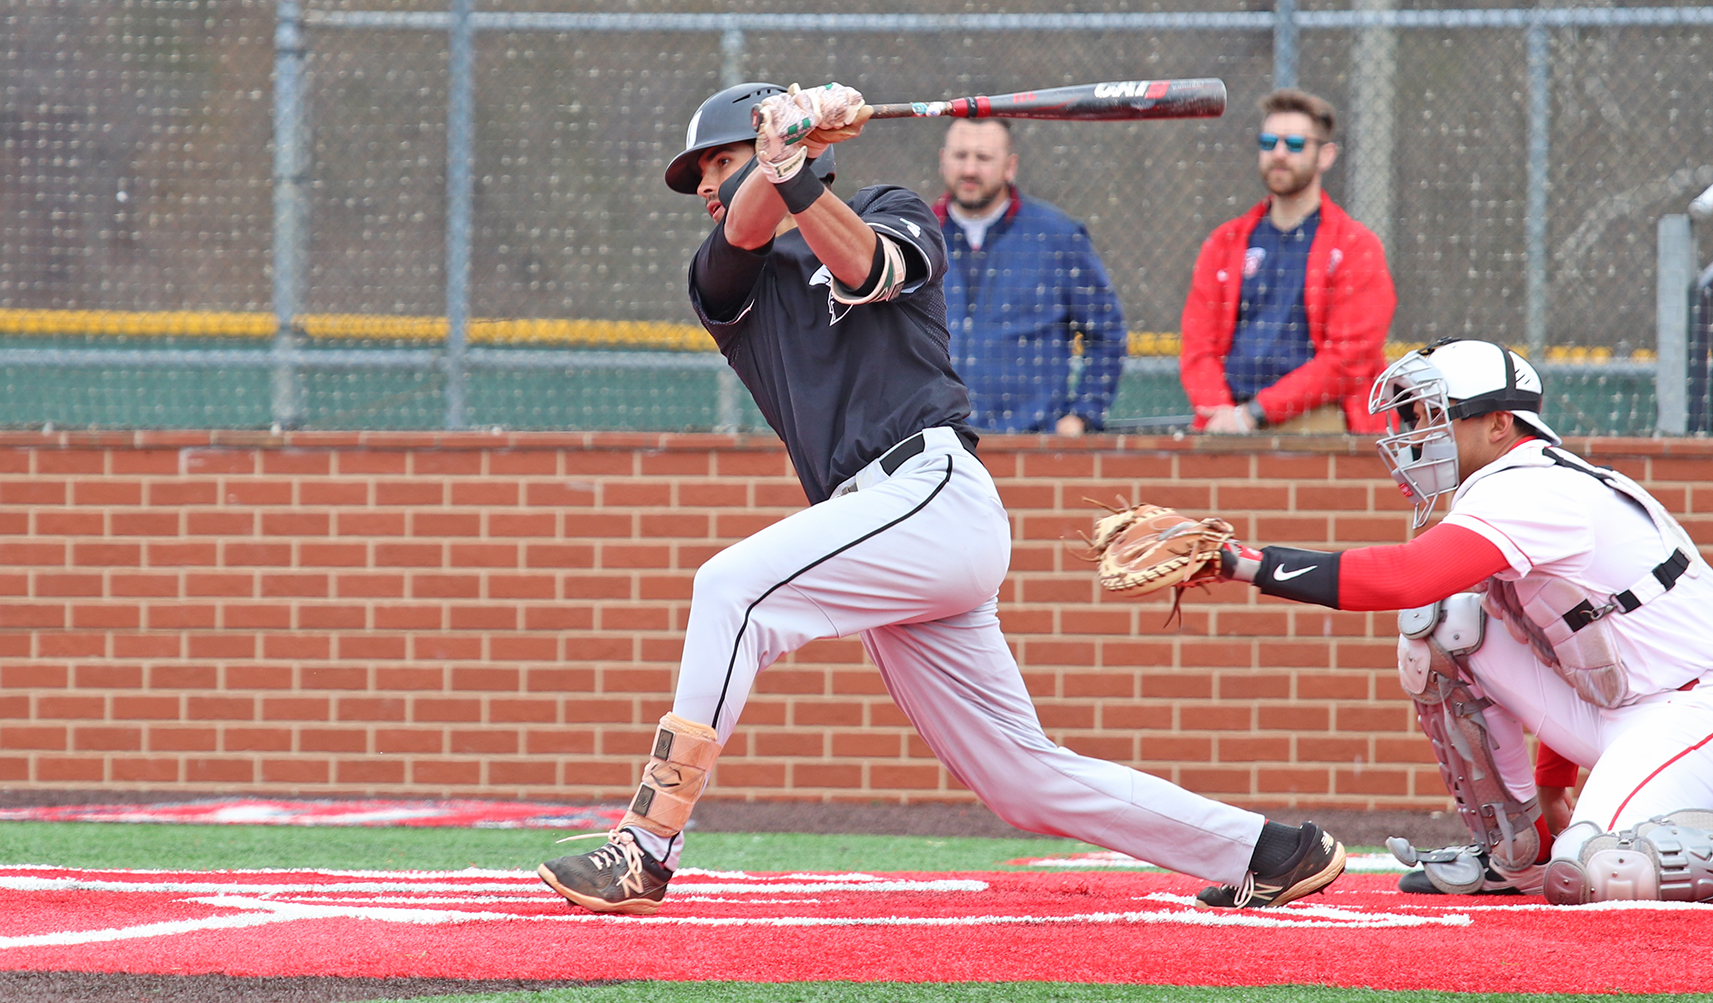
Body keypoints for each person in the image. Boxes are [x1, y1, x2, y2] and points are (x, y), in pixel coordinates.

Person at [536, 81, 1346, 916]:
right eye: (701, 172)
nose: (706, 184)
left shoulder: (890, 209)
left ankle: (646, 848)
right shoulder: (725, 278)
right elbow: (745, 225)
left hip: (931, 494)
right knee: (1019, 779)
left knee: (729, 589)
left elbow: (866, 268)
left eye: (721, 160)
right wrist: (780, 158)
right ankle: (1268, 850)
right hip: (874, 529)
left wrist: (792, 164)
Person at [1183, 337, 1713, 906]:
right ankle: (1515, 854)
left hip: (1705, 711)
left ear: (1500, 423)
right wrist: (1554, 783)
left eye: (1433, 415)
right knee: (1444, 623)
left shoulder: (1534, 486)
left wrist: (1240, 562)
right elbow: (1571, 644)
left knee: (1600, 871)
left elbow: (1404, 576)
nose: (1414, 433)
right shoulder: (1509, 485)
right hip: (1623, 709)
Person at [1179, 89, 1395, 435]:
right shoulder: (1224, 243)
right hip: (1229, 417)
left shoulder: (1356, 246)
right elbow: (1197, 347)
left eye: (1294, 144)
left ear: (1325, 155)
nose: (1279, 153)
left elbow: (1348, 360)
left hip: (1318, 417)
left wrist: (1257, 413)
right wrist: (1223, 412)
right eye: (1269, 142)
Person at [933, 118, 1128, 435]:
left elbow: (1107, 332)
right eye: (960, 156)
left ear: (1010, 167)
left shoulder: (1056, 237)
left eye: (983, 158)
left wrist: (1082, 416)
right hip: (933, 443)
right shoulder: (915, 236)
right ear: (943, 160)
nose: (969, 169)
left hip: (1031, 441)